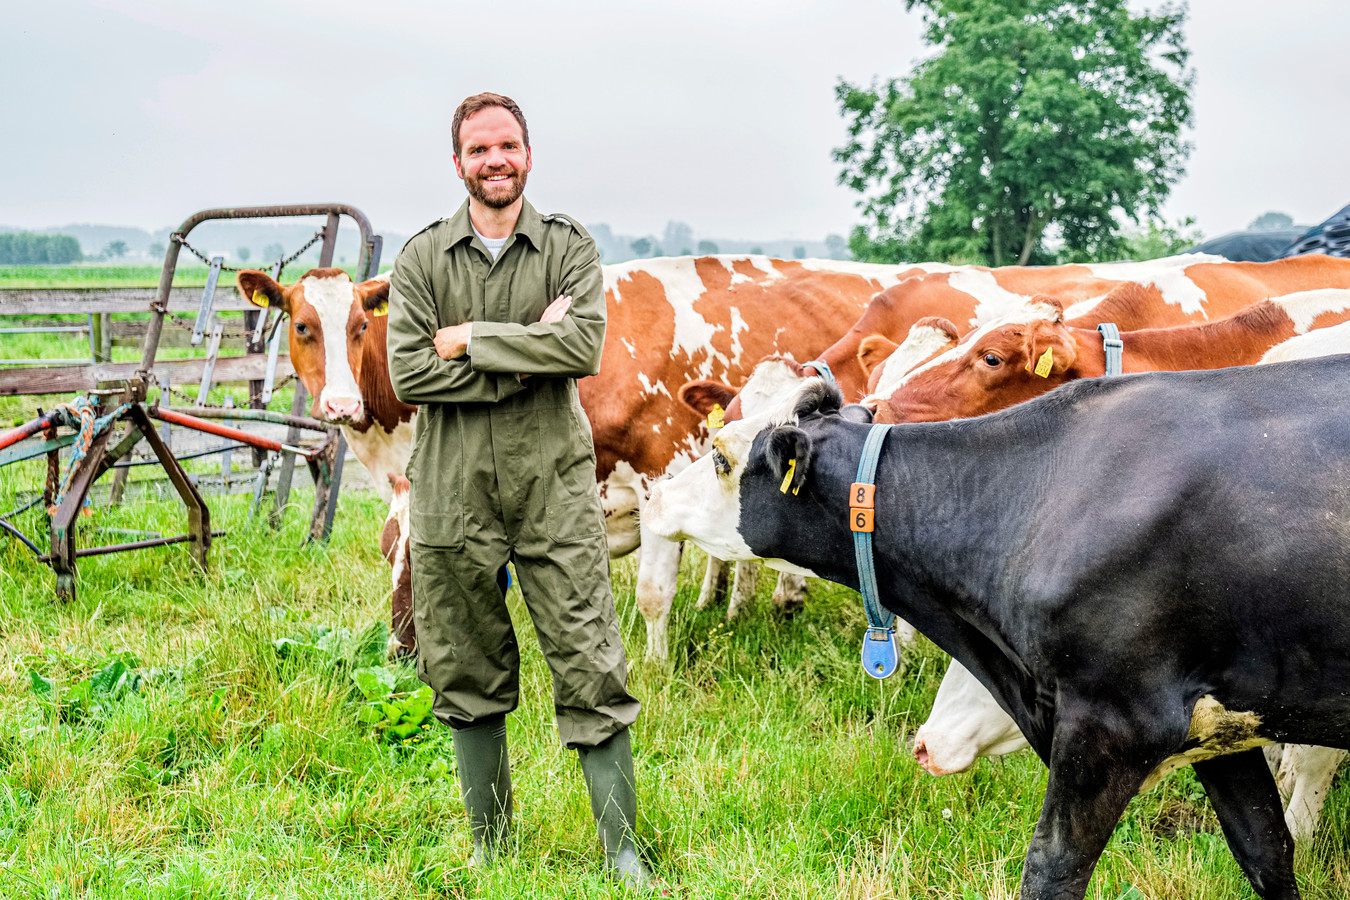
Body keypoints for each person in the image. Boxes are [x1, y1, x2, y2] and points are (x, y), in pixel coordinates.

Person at [385, 92, 650, 888]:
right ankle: (491, 848)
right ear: (457, 163)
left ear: (528, 155)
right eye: (479, 149)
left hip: (553, 488)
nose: (494, 161)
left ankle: (623, 853)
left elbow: (582, 347)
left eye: (507, 146)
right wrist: (530, 350)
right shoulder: (422, 258)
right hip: (452, 489)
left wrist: (472, 339)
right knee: (463, 664)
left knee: (590, 658)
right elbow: (409, 373)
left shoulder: (568, 246)